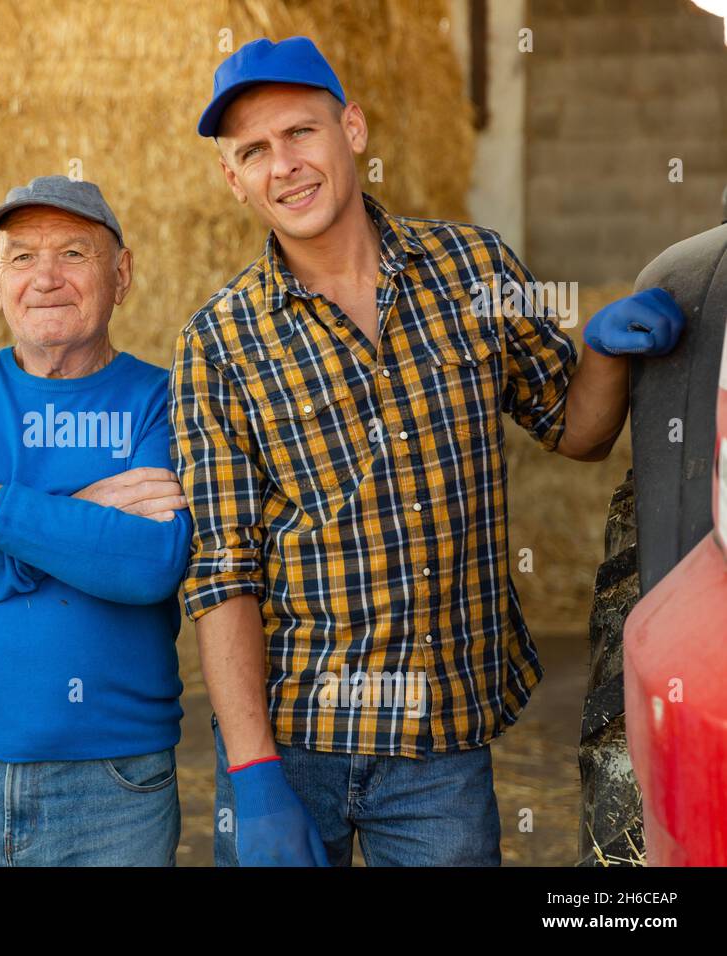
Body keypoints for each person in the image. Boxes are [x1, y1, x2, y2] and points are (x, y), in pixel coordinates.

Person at [172, 36, 684, 866]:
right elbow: (223, 571)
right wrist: (254, 771)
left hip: (440, 742)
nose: (284, 166)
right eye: (253, 151)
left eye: (301, 133)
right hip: (296, 738)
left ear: (354, 129)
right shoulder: (219, 342)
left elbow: (577, 431)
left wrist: (604, 354)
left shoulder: (473, 268)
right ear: (233, 180)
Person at [0, 175, 192, 866]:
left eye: (73, 253)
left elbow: (147, 566)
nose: (45, 277)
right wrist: (84, 515)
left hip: (114, 783)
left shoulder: (160, 399)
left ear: (123, 273)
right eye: (21, 257)